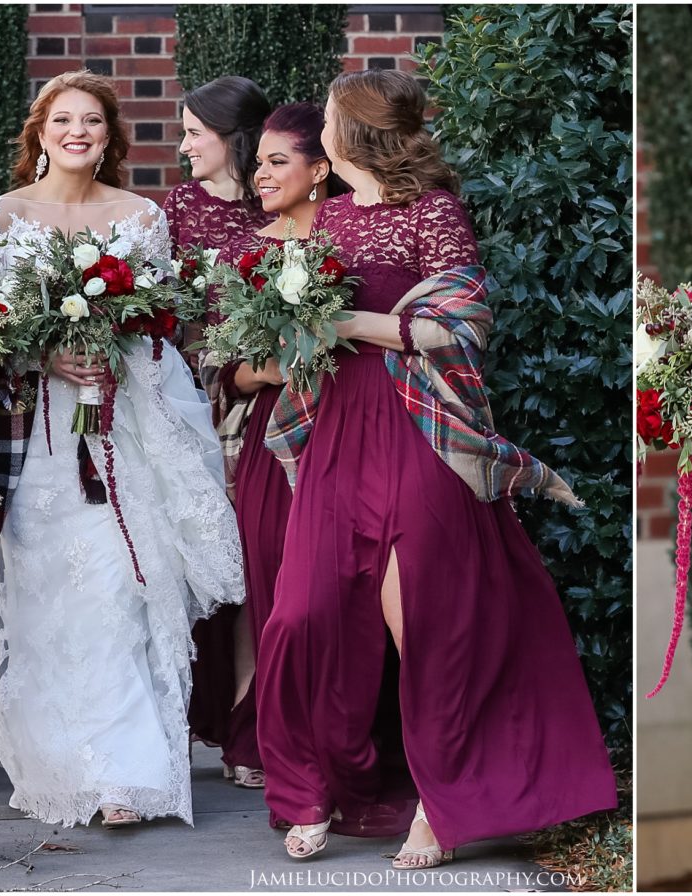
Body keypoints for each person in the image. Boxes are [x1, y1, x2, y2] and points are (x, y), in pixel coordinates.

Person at [256, 69, 619, 867]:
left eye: (326, 119)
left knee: (424, 620)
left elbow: (461, 325)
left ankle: (440, 802)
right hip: (339, 430)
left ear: (353, 134)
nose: (319, 129)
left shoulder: (434, 213)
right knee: (302, 613)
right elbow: (293, 327)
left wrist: (353, 319)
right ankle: (312, 785)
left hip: (421, 430)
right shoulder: (328, 218)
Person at [0, 71, 244, 829]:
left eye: (92, 120)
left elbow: (159, 320)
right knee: (48, 593)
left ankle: (127, 772)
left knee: (124, 585)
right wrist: (43, 356)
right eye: (63, 120)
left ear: (111, 136)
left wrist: (111, 341)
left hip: (123, 427)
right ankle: (60, 764)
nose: (77, 131)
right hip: (41, 436)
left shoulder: (142, 217)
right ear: (39, 133)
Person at [199, 101, 344, 793]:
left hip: (346, 428)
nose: (260, 176)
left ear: (321, 169)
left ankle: (331, 732)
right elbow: (220, 364)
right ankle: (258, 727)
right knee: (269, 585)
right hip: (270, 433)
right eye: (257, 163)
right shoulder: (248, 250)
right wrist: (277, 366)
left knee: (331, 590)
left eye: (277, 162)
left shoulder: (352, 241)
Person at [162, 76, 275, 770]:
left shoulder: (287, 201)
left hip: (269, 398)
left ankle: (249, 727)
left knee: (261, 563)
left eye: (194, 134)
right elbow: (159, 312)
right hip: (195, 403)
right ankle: (197, 715)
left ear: (234, 139)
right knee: (209, 561)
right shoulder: (177, 207)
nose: (182, 147)